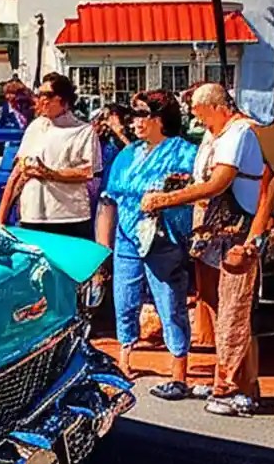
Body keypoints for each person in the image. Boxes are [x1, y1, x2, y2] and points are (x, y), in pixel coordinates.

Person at [141, 83, 262, 416]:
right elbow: (203, 180)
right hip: (211, 234)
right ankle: (233, 380)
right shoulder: (215, 135)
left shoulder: (239, 133)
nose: (195, 117)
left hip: (235, 234)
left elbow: (218, 182)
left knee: (235, 313)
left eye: (197, 110)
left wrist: (166, 200)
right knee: (216, 309)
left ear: (215, 106)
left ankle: (236, 388)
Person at [94, 90, 197, 397]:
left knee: (170, 301)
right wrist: (103, 250)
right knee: (124, 298)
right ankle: (125, 359)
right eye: (134, 115)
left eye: (142, 115)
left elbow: (199, 190)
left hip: (164, 237)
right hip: (127, 235)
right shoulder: (127, 155)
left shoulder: (184, 152)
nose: (135, 121)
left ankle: (179, 369)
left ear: (160, 118)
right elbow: (108, 201)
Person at [0, 73, 100, 238]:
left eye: (48, 95)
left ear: (64, 100)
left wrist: (50, 174)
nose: (41, 100)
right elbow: (18, 173)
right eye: (39, 94)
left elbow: (87, 172)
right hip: (32, 215)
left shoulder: (83, 131)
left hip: (69, 218)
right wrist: (1, 219)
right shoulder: (35, 127)